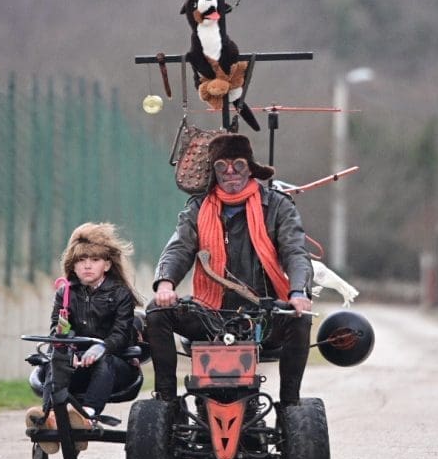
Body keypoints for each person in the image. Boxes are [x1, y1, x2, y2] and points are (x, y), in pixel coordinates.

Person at [147, 133, 314, 406]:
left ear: (250, 167)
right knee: (156, 312)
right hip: (209, 312)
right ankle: (166, 402)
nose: (231, 172)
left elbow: (295, 251)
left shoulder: (278, 206)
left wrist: (297, 292)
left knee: (300, 320)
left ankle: (290, 406)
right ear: (213, 172)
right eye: (221, 166)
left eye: (238, 164)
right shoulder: (198, 208)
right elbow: (178, 248)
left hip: (263, 314)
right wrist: (165, 284)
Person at [46, 222, 141, 422]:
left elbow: (121, 334)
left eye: (95, 259)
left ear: (106, 265)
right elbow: (59, 328)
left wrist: (101, 348)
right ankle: (50, 414)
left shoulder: (120, 294)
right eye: (81, 260)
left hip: (114, 365)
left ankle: (87, 414)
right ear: (73, 265)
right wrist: (68, 347)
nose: (87, 265)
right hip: (78, 362)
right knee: (54, 356)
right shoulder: (65, 293)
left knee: (104, 361)